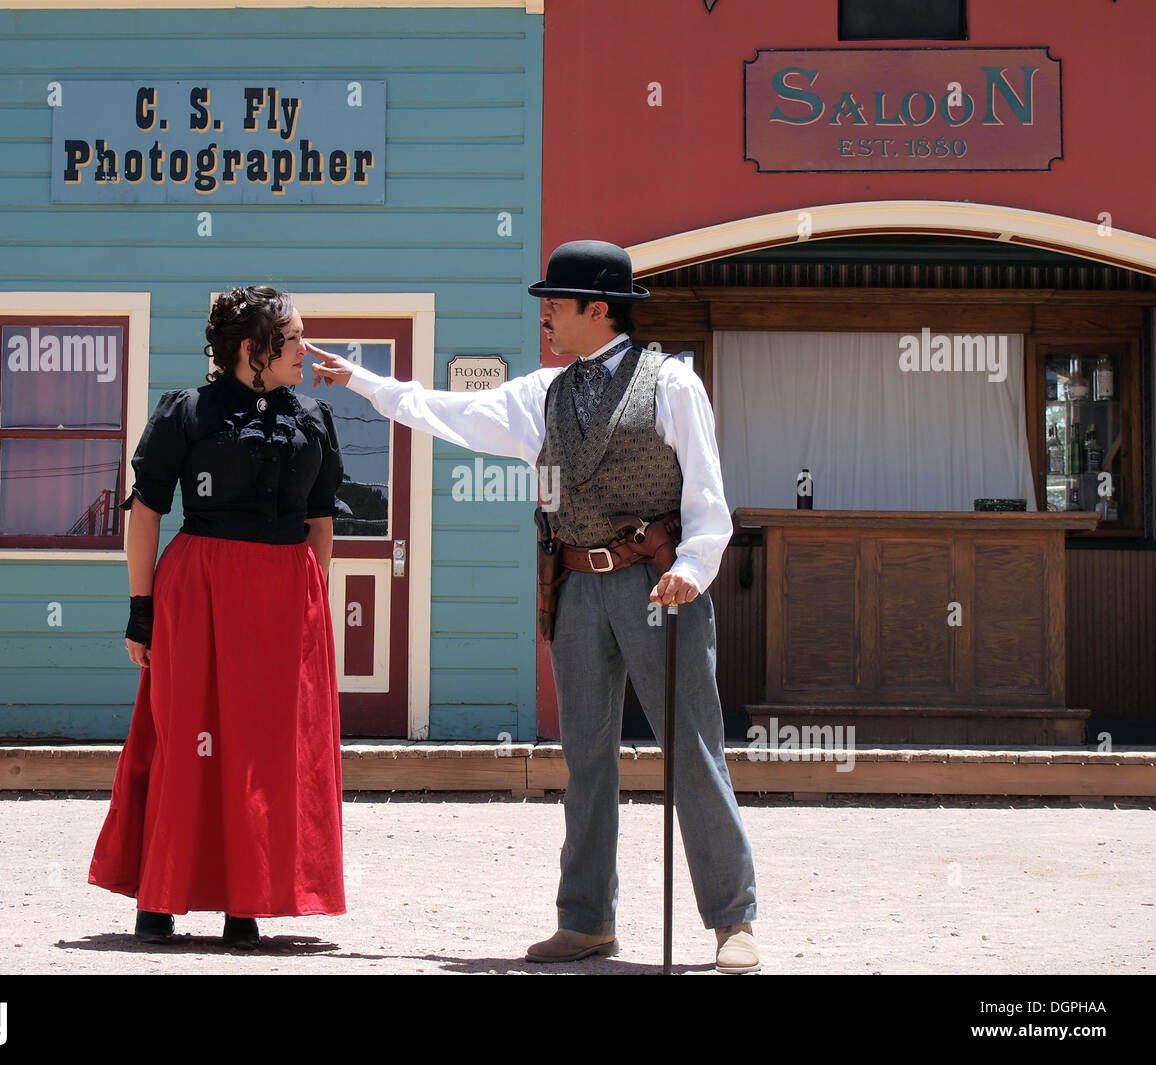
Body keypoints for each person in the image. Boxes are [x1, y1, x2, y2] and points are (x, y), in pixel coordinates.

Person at [313, 240, 760, 972]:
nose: (545, 314)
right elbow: (449, 410)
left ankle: (733, 919)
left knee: (693, 751)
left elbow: (709, 497)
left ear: (599, 309)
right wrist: (366, 382)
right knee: (586, 761)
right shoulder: (541, 394)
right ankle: (586, 920)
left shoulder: (674, 384)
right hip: (576, 587)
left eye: (555, 301)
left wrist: (692, 567)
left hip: (657, 586)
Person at [88, 285, 346, 949]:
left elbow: (320, 523)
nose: (304, 350)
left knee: (264, 748)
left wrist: (312, 604)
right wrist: (139, 611)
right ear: (249, 350)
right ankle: (159, 898)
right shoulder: (188, 411)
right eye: (291, 339)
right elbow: (146, 512)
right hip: (198, 590)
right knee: (186, 738)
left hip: (285, 595)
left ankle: (245, 901)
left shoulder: (314, 414)